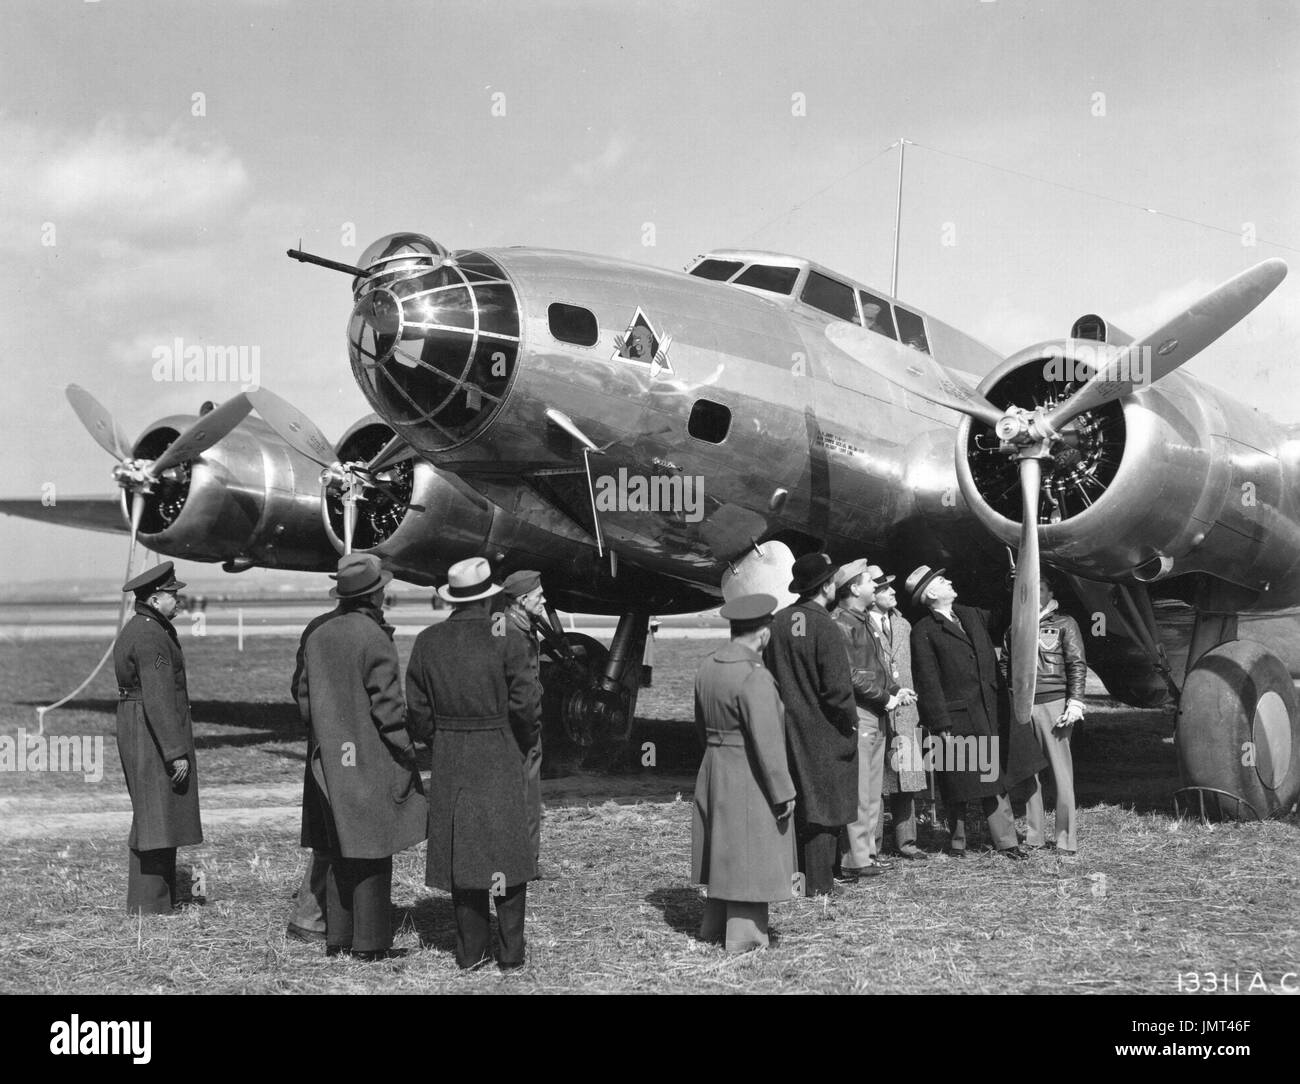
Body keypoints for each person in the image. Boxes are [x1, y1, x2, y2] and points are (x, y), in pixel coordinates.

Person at [407, 557, 540, 969]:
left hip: (450, 756)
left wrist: (443, 738)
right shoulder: (506, 637)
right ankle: (511, 954)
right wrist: (517, 741)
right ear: (489, 598)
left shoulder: (428, 640)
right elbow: (526, 705)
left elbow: (417, 711)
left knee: (463, 857)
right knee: (507, 854)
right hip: (499, 750)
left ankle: (471, 953)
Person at [294, 554, 425, 960]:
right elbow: (388, 710)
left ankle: (338, 939)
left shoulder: (318, 633)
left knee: (337, 849)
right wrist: (407, 749)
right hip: (368, 761)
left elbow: (302, 698)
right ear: (374, 595)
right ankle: (371, 945)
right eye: (382, 589)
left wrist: (328, 732)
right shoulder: (374, 637)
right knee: (372, 851)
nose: (386, 593)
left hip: (326, 761)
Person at [692, 594, 797, 952]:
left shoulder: (708, 665)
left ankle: (715, 925)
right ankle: (747, 936)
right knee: (752, 852)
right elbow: (768, 742)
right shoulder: (755, 676)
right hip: (747, 772)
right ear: (764, 633)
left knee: (724, 848)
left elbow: (699, 725)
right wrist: (784, 791)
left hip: (713, 765)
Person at [905, 566, 1031, 860]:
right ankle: (957, 842)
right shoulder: (923, 630)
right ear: (932, 593)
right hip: (954, 716)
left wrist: (1015, 585)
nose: (949, 580)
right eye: (941, 580)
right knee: (957, 783)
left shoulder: (971, 614)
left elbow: (1003, 616)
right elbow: (928, 679)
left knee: (992, 776)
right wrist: (939, 723)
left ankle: (1007, 842)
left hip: (987, 708)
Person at [763, 552, 859, 897]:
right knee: (824, 809)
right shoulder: (824, 625)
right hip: (824, 731)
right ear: (827, 585)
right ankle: (820, 887)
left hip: (786, 728)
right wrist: (849, 723)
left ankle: (797, 880)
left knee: (799, 805)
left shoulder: (777, 622)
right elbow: (837, 690)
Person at [113, 561, 203, 915]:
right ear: (154, 599)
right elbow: (159, 697)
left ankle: (153, 901)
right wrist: (175, 751)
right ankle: (150, 905)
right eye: (172, 594)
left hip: (139, 724)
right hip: (150, 729)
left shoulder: (143, 627)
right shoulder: (151, 635)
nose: (178, 600)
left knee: (154, 812)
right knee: (155, 813)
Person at [832, 559, 914, 881]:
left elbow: (876, 667)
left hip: (875, 711)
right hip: (863, 712)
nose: (876, 588)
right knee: (861, 790)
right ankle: (855, 859)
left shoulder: (862, 621)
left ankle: (866, 855)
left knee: (872, 790)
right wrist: (885, 697)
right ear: (854, 588)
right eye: (870, 582)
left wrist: (895, 689)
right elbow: (850, 674)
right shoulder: (842, 623)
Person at [1002, 576, 1084, 855]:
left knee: (1061, 772)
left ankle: (1065, 839)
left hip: (1053, 702)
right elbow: (1005, 667)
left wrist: (1075, 702)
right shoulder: (1016, 627)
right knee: (1029, 773)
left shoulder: (1065, 624)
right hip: (1023, 704)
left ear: (1051, 592)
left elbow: (1076, 664)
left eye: (1040, 590)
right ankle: (1034, 836)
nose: (1035, 595)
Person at [865, 565, 928, 860]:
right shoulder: (860, 625)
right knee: (875, 784)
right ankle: (872, 847)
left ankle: (907, 842)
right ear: (871, 595)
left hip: (906, 713)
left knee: (907, 780)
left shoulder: (903, 625)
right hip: (875, 711)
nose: (892, 592)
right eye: (885, 589)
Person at [499, 570, 547, 866]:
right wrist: (530, 722)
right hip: (519, 728)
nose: (544, 601)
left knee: (528, 795)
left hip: (520, 725)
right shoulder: (510, 632)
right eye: (539, 597)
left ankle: (527, 858)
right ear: (522, 600)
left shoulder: (518, 625)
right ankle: (525, 861)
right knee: (525, 796)